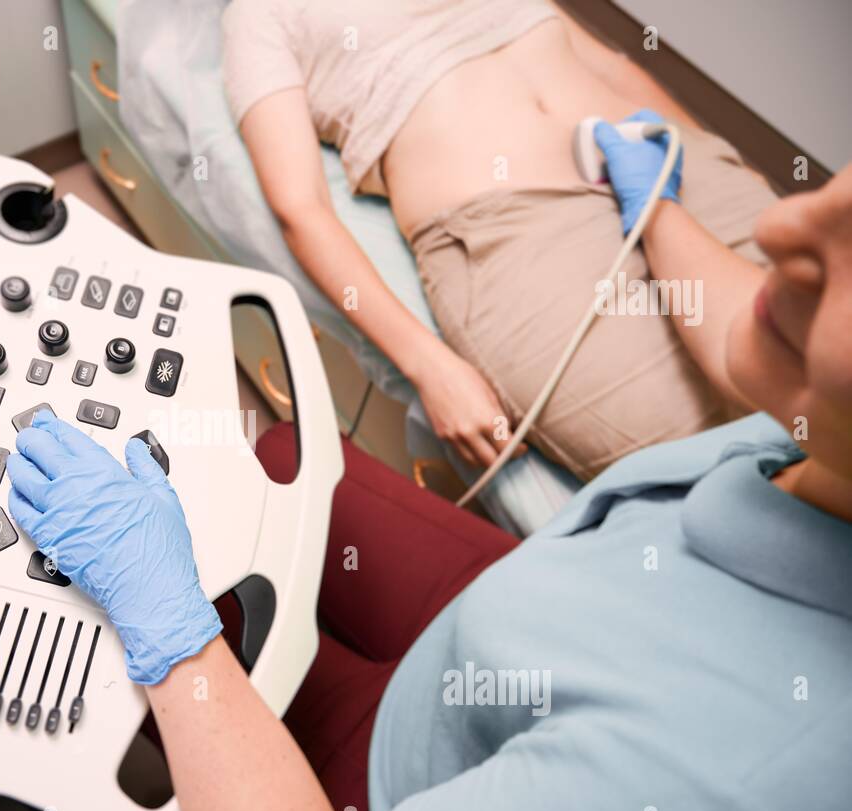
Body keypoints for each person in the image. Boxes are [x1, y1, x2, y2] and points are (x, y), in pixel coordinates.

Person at [5, 140, 852, 811]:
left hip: (404, 776)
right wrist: (657, 206)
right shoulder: (823, 430)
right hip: (538, 603)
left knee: (113, 642)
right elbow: (758, 323)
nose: (779, 226)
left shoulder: (720, 782)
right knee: (290, 450)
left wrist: (171, 630)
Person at [222, 0, 779, 480]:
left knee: (823, 353)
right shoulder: (262, 15)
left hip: (672, 168)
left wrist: (720, 159)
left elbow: (611, 66)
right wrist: (429, 365)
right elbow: (301, 207)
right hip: (520, 234)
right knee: (712, 454)